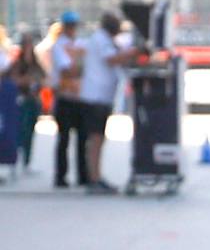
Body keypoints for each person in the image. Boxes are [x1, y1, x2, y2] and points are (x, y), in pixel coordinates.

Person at [77, 11, 140, 193]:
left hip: (102, 96)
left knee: (99, 138)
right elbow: (111, 59)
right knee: (96, 138)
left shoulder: (104, 39)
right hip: (96, 96)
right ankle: (94, 177)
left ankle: (95, 175)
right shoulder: (101, 39)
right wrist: (134, 51)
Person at [50, 11, 85, 188]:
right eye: (70, 26)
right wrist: (82, 67)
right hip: (65, 97)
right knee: (64, 138)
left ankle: (83, 175)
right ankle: (60, 176)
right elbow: (67, 69)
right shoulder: (58, 46)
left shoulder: (79, 44)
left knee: (82, 138)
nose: (72, 29)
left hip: (79, 97)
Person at [6, 32, 47, 172]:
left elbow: (43, 78)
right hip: (21, 100)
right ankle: (16, 160)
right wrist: (25, 80)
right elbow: (12, 80)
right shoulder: (17, 63)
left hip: (33, 100)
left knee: (30, 131)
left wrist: (36, 81)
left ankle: (27, 162)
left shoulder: (35, 63)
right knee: (20, 130)